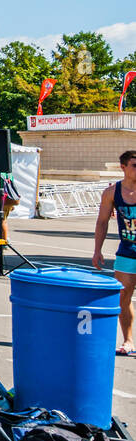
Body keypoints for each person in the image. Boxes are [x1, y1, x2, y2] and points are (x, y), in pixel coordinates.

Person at [94, 150, 136, 356]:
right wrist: (97, 251)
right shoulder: (112, 192)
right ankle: (128, 341)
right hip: (127, 251)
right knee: (123, 297)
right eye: (134, 165)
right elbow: (102, 222)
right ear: (123, 167)